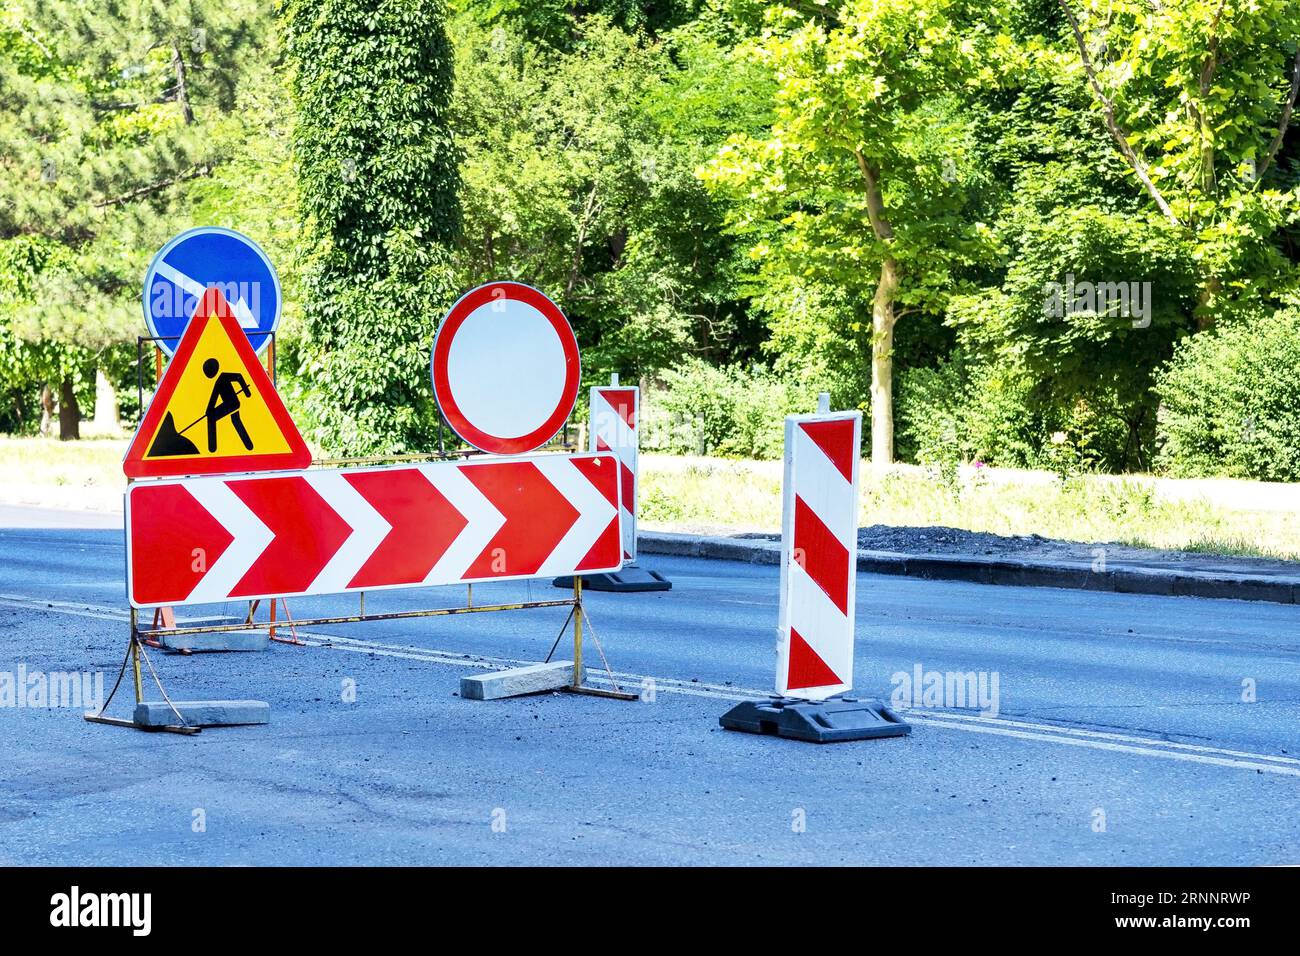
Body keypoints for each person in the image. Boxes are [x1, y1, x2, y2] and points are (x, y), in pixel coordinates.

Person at [202, 357, 253, 452]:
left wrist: (247, 392)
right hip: (232, 404)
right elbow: (214, 397)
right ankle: (249, 446)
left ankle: (212, 448)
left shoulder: (223, 377)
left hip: (231, 404)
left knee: (212, 417)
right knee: (235, 420)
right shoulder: (219, 380)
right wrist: (208, 409)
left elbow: (239, 376)